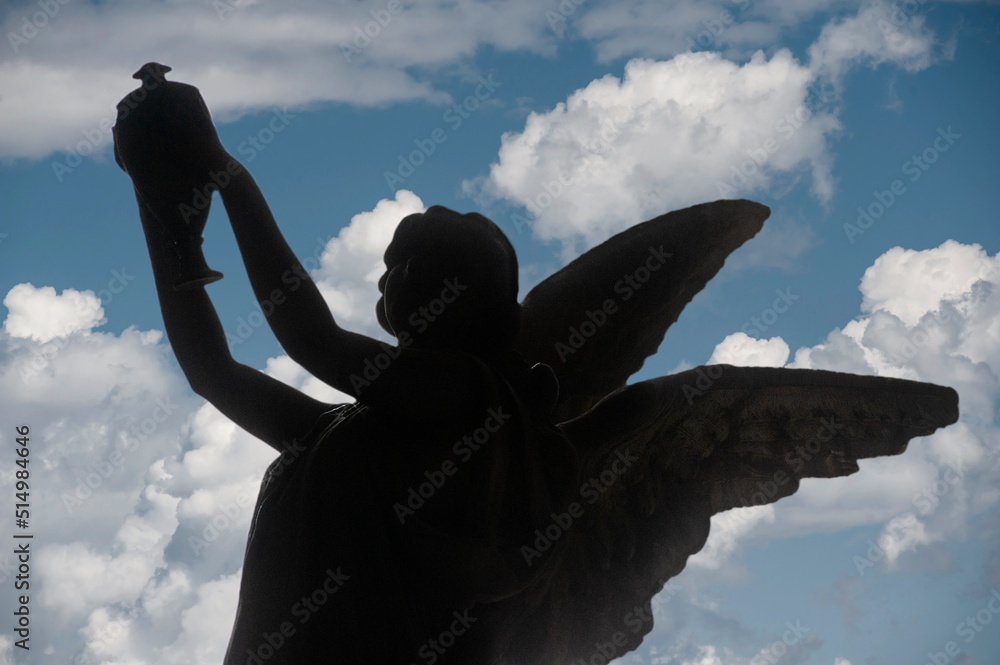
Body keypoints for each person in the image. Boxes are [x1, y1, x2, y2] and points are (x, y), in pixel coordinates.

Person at [117, 91, 578, 663]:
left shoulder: (470, 396)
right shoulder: (347, 435)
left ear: (478, 300)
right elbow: (212, 373)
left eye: (422, 260)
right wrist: (166, 225)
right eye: (391, 263)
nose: (394, 275)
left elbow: (313, 339)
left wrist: (226, 173)